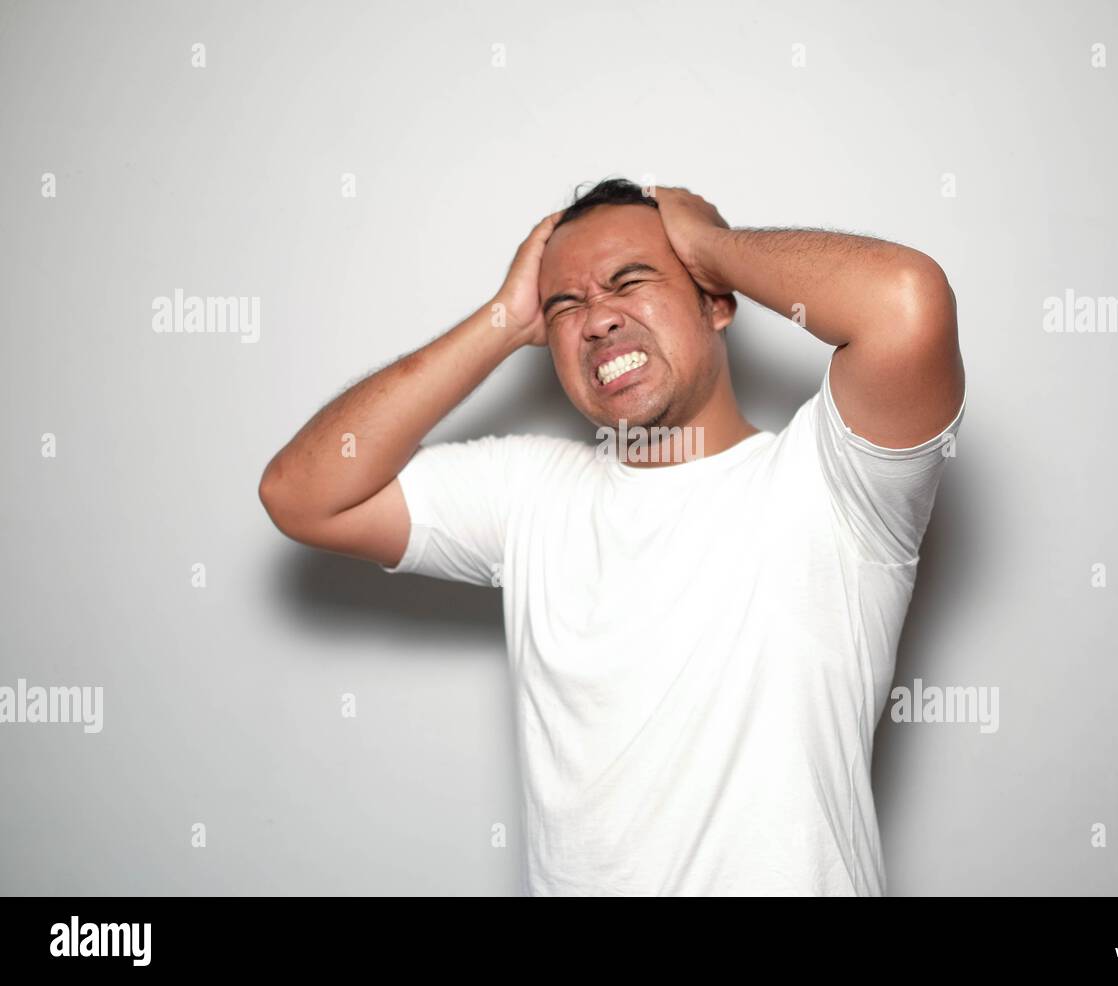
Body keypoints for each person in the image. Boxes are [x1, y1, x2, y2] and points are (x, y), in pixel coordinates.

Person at [258, 178, 967, 895]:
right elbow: (302, 495)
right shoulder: (531, 493)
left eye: (631, 281)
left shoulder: (831, 483)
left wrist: (710, 246)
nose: (597, 320)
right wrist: (503, 319)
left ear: (716, 302)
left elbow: (908, 303)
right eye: (566, 304)